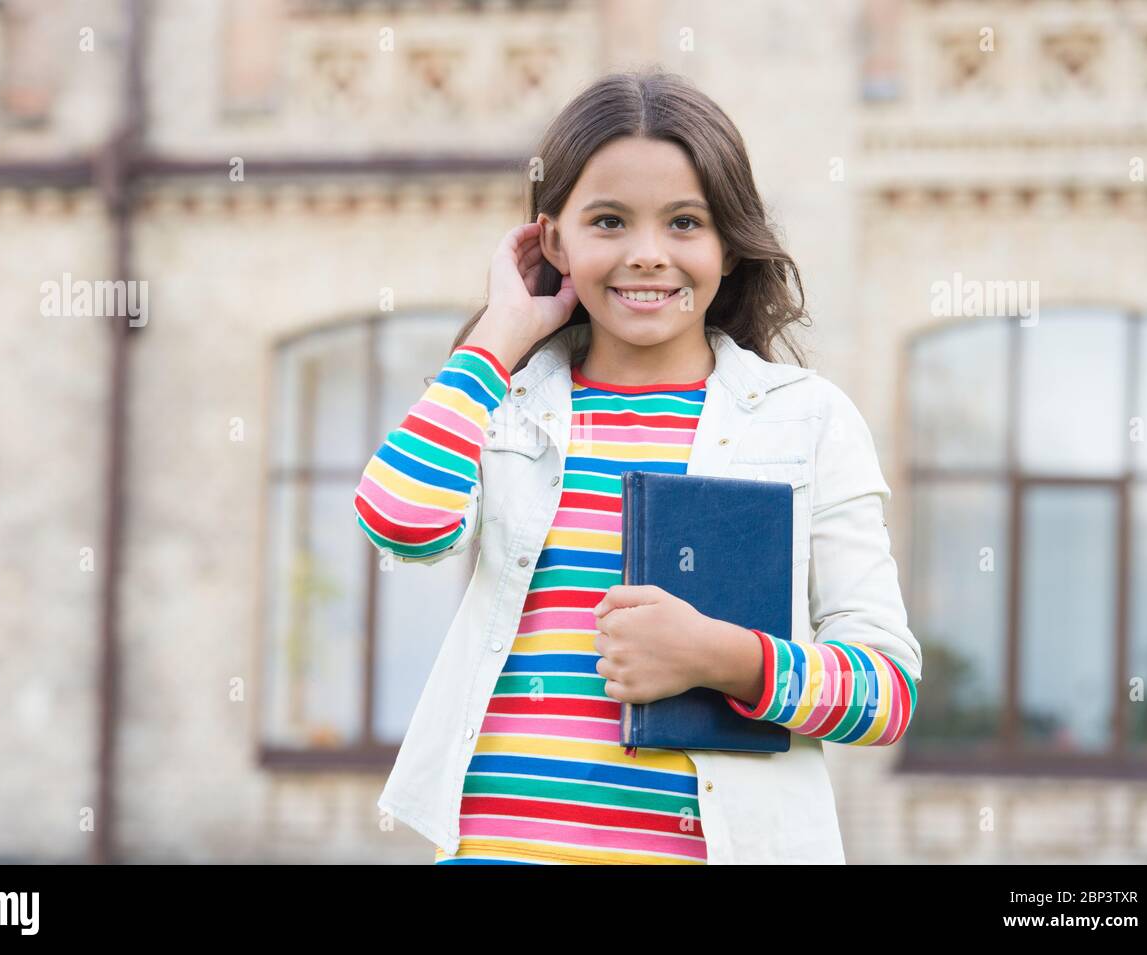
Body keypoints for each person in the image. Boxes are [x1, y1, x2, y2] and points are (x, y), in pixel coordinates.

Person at [353, 68, 921, 865]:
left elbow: (886, 693)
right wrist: (496, 338)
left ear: (729, 242)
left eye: (685, 222)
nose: (648, 255)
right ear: (555, 240)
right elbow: (398, 525)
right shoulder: (503, 403)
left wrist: (720, 656)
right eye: (610, 221)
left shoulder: (809, 420)